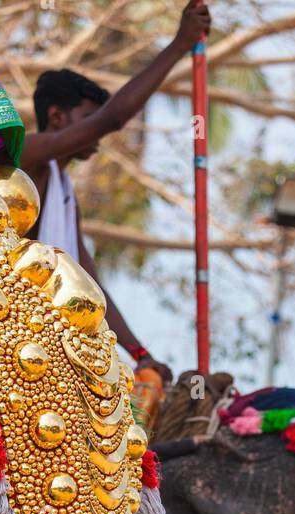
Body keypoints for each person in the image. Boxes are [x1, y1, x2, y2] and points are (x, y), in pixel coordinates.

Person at [21, 0, 211, 382]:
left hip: (57, 350)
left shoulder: (64, 191)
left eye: (94, 120)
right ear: (57, 116)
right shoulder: (31, 152)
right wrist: (179, 44)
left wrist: (141, 353)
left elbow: (88, 285)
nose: (98, 133)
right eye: (87, 119)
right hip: (15, 336)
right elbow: (116, 118)